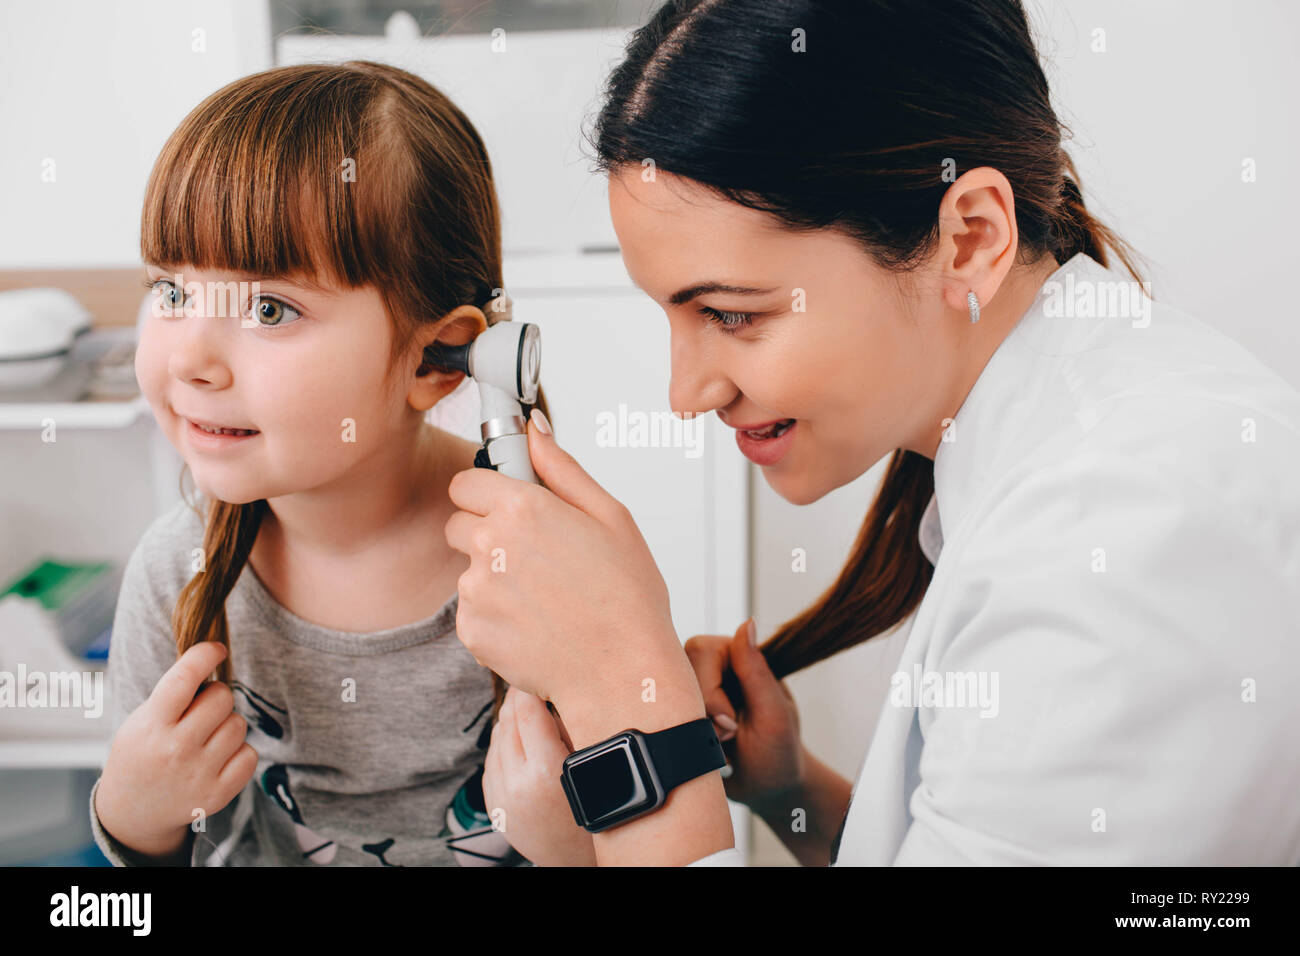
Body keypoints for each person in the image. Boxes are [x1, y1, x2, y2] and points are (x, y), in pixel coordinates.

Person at [448, 0, 1300, 865]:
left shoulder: (1122, 541)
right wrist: (791, 794)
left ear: (970, 239)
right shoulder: (1065, 456)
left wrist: (629, 732)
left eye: (732, 315)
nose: (686, 393)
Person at [89, 61, 577, 866]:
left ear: (435, 361)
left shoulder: (547, 563)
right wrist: (133, 817)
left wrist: (573, 848)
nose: (191, 361)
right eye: (173, 292)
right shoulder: (174, 572)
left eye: (269, 308)